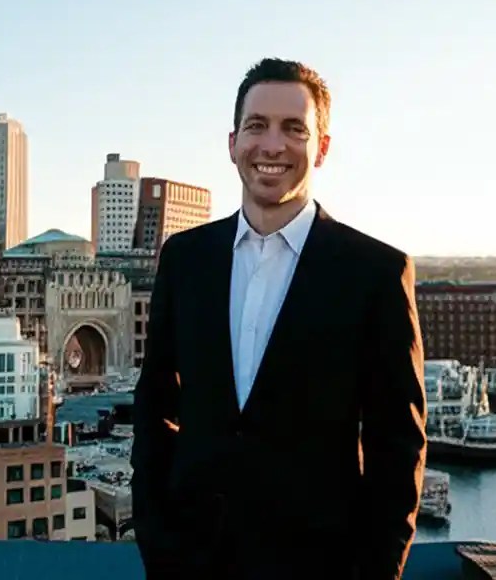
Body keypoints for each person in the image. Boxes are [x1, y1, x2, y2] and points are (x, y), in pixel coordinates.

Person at [130, 58, 427, 579]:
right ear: (232, 143)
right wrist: (157, 542)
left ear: (323, 147)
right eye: (256, 126)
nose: (272, 145)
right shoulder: (185, 258)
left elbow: (397, 444)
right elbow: (156, 405)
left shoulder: (375, 272)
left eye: (294, 129)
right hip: (190, 564)